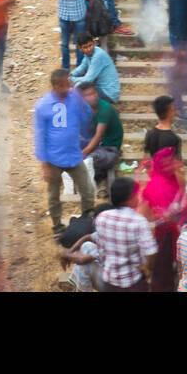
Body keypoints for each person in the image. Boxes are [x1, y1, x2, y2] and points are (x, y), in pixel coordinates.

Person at [34, 68, 95, 234]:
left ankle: (86, 222)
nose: (67, 89)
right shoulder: (43, 105)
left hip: (74, 155)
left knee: (87, 191)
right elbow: (40, 136)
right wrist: (44, 165)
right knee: (54, 196)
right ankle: (57, 227)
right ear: (55, 86)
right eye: (63, 86)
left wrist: (82, 103)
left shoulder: (74, 98)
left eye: (68, 85)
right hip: (53, 159)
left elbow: (86, 118)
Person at [92, 176, 156, 291]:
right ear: (130, 198)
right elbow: (151, 252)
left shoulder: (102, 217)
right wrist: (147, 269)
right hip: (132, 281)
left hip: (109, 280)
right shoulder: (138, 221)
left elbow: (101, 250)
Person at [78, 83, 123, 192]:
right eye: (88, 95)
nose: (93, 96)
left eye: (93, 93)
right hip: (96, 143)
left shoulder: (104, 108)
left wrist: (83, 153)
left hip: (109, 147)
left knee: (91, 159)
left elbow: (98, 136)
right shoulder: (84, 108)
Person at [71, 31, 121, 103]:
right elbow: (82, 66)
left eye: (90, 45)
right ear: (80, 48)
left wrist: (72, 79)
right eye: (85, 47)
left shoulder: (98, 56)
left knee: (79, 89)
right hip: (102, 89)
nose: (88, 49)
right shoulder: (89, 55)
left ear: (94, 43)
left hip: (109, 93)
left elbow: (88, 79)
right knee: (78, 88)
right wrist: (71, 74)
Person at [144, 95, 183, 160]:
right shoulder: (174, 139)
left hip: (154, 169)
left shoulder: (149, 134)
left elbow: (146, 159)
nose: (175, 112)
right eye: (174, 109)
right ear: (170, 111)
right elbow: (177, 165)